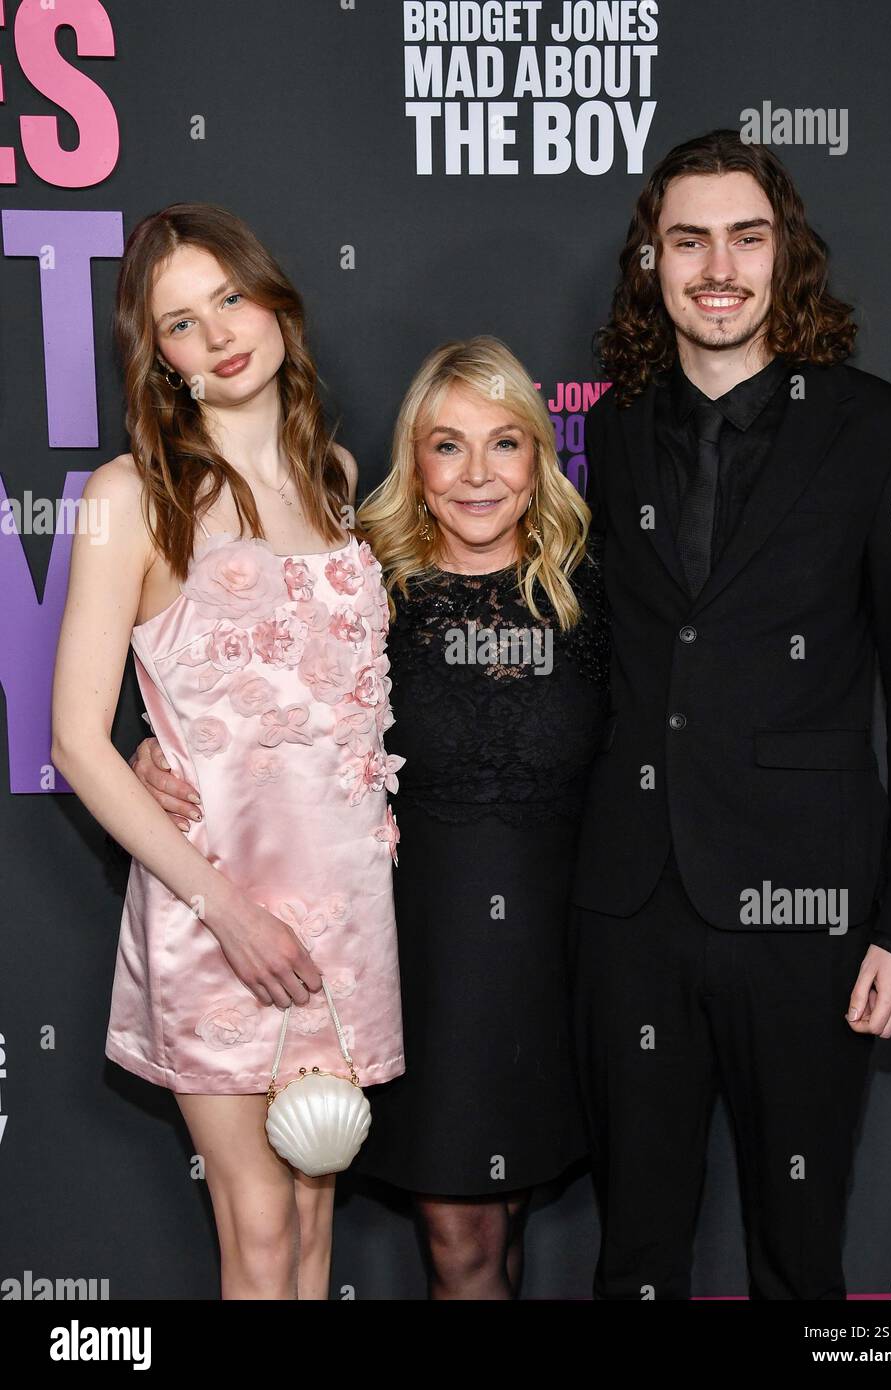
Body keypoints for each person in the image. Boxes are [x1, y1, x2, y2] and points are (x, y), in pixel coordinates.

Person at [568, 128, 891, 1299]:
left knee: (798, 1257)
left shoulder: (888, 435)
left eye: (745, 236)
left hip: (809, 913)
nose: (716, 267)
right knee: (634, 1254)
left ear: (783, 252)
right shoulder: (615, 435)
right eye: (686, 240)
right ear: (653, 261)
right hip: (629, 909)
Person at [132, 335, 611, 1299]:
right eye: (446, 445)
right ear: (412, 462)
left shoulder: (592, 592)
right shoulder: (364, 587)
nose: (477, 473)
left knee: (507, 1230)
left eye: (505, 442)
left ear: (539, 457)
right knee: (463, 1237)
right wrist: (143, 743)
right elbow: (235, 681)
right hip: (418, 961)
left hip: (565, 962)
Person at [50, 203, 404, 1301]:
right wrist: (227, 910)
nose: (219, 334)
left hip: (344, 910)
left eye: (231, 299)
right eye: (183, 324)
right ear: (161, 360)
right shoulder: (130, 499)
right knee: (255, 1231)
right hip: (218, 911)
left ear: (275, 302)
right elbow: (75, 739)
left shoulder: (341, 479)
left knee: (312, 1206)